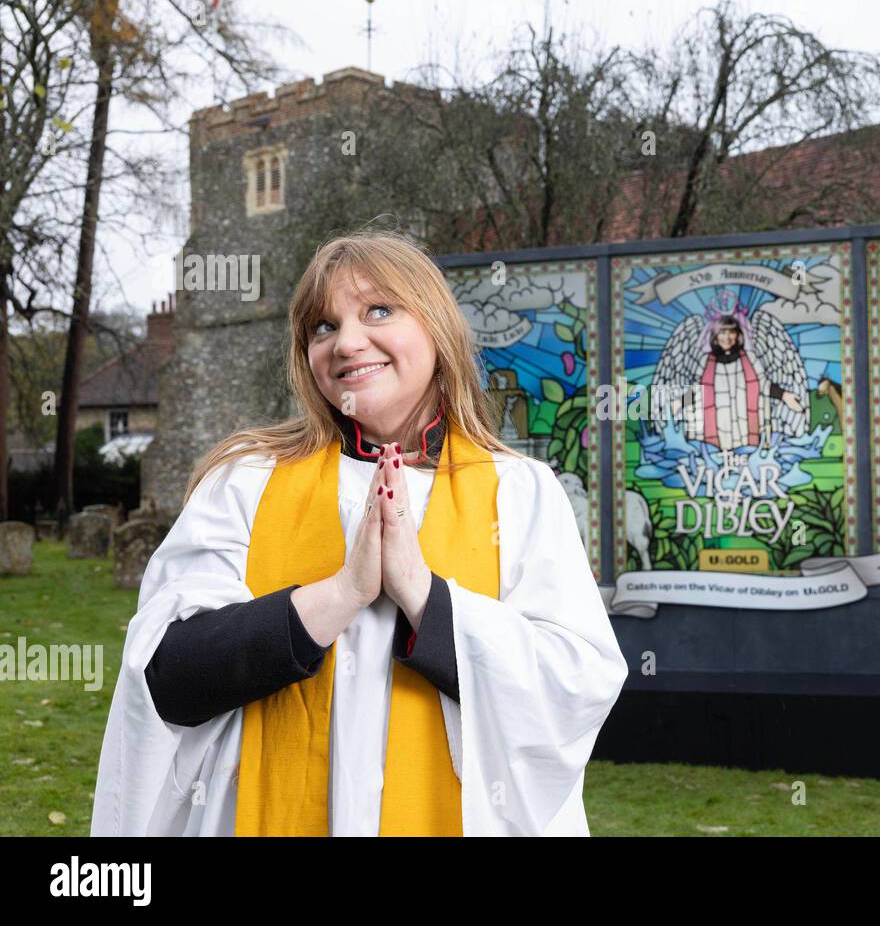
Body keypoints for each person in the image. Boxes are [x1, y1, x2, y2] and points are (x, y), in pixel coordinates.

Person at [90, 231, 628, 836]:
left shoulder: (519, 490)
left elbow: (575, 687)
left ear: (437, 328)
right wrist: (341, 593)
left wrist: (424, 597)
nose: (346, 342)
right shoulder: (244, 481)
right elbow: (170, 676)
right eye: (322, 326)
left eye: (378, 310)